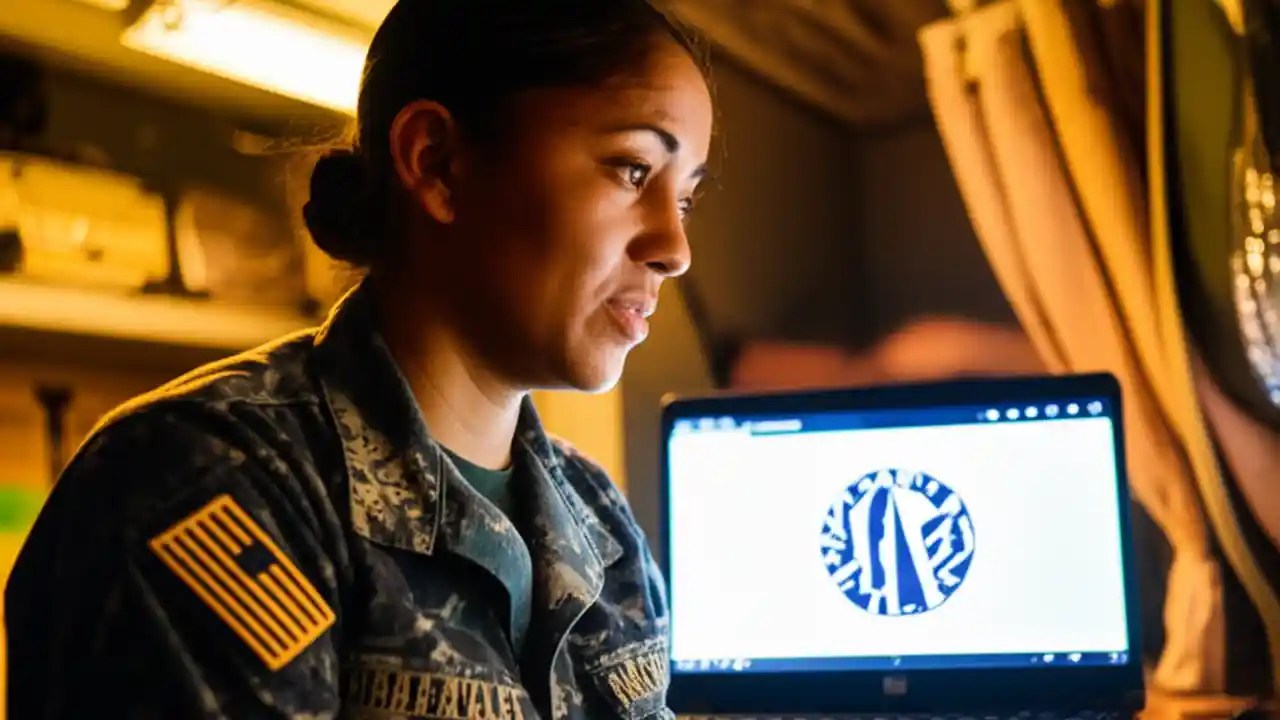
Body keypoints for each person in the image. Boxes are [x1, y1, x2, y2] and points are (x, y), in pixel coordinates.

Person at [4, 0, 713, 716]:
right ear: (437, 163)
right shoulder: (207, 485)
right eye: (631, 170)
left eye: (684, 199)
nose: (674, 248)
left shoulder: (599, 519)